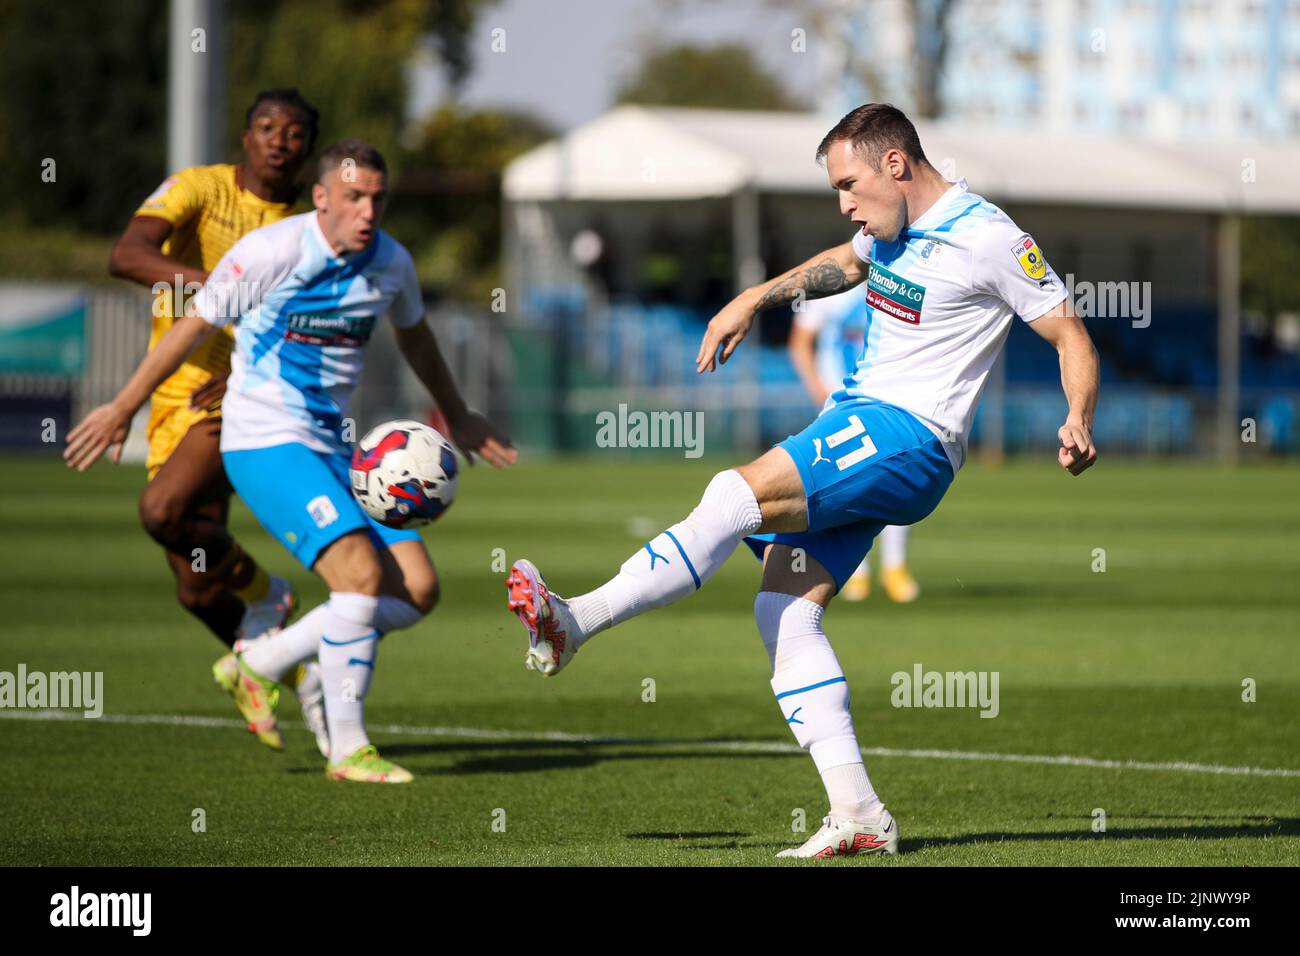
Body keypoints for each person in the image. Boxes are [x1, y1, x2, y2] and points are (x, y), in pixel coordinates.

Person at [505, 104, 1098, 857]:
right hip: (868, 428)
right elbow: (844, 265)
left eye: (849, 185)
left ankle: (576, 621)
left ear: (895, 165)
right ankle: (858, 814)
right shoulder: (886, 231)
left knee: (733, 494)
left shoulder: (988, 237)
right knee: (784, 617)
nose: (845, 204)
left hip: (906, 436)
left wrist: (1078, 417)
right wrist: (753, 299)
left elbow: (1069, 331)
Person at [67, 140, 518, 782]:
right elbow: (191, 327)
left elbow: (414, 334)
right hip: (263, 438)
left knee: (417, 589)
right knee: (359, 581)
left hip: (337, 445)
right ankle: (348, 749)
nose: (368, 211)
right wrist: (122, 406)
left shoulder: (392, 263)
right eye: (355, 196)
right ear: (323, 197)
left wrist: (458, 411)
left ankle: (259, 662)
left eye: (378, 199)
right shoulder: (272, 251)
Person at [103, 88, 330, 754]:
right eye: (266, 126)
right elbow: (127, 255)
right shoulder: (196, 189)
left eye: (294, 132)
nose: (279, 139)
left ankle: (270, 593)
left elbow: (318, 322)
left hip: (238, 400)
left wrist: (261, 366)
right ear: (245, 136)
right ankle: (283, 664)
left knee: (160, 512)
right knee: (198, 589)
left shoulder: (311, 228)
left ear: (308, 149)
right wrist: (221, 287)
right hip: (173, 393)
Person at [788, 287, 920, 602]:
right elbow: (800, 343)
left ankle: (894, 567)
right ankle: (854, 571)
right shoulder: (832, 284)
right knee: (845, 483)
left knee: (893, 479)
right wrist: (816, 388)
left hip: (886, 402)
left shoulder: (903, 278)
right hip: (839, 402)